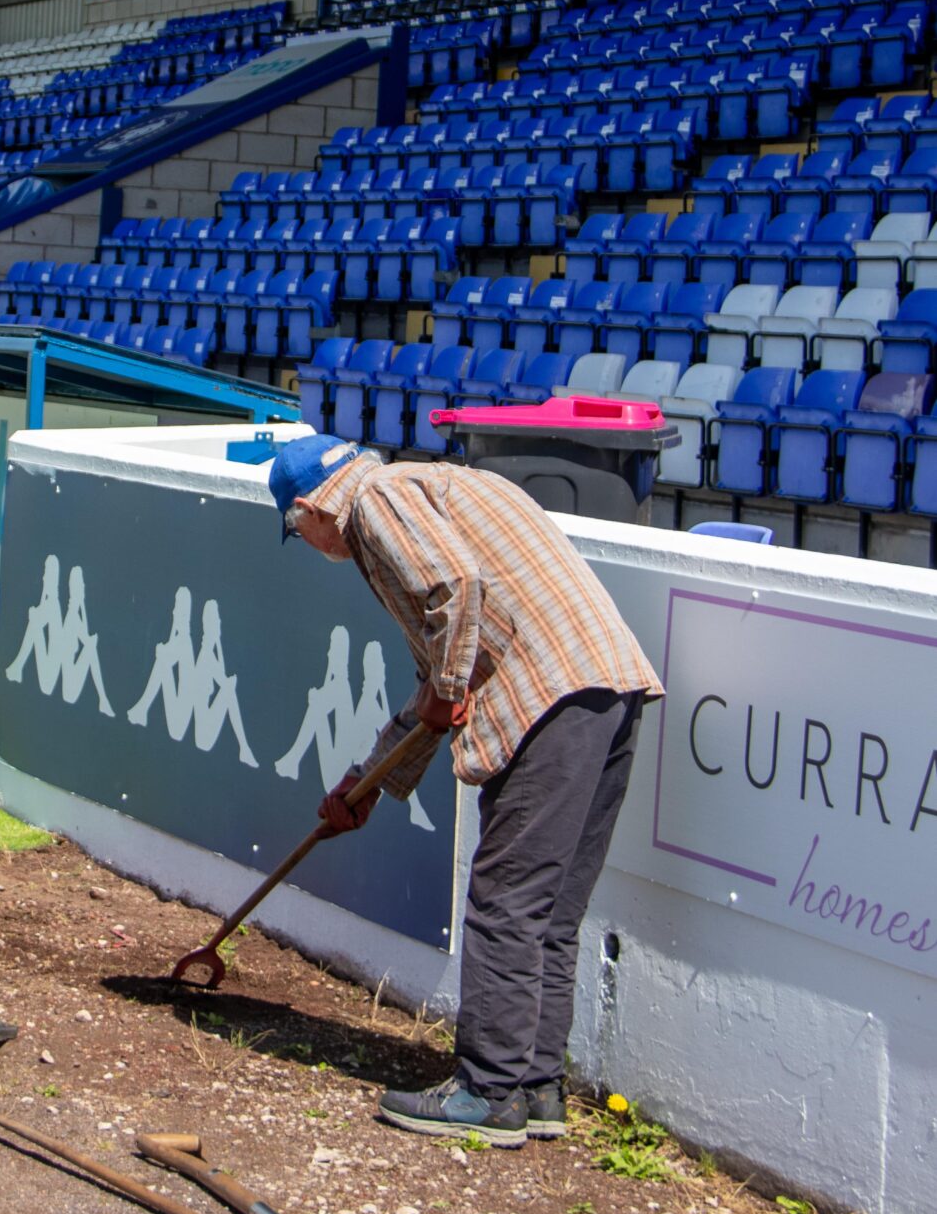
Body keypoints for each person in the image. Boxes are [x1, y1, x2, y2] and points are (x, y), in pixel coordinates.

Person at [267, 433, 662, 1150]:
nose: (317, 546)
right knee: (547, 907)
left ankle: (486, 1090)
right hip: (605, 688)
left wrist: (449, 689)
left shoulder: (376, 500)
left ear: (308, 509)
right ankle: (535, 1088)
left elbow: (455, 595)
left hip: (546, 697)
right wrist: (364, 785)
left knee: (505, 898)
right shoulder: (436, 485)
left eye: (301, 533)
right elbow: (437, 686)